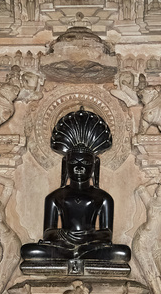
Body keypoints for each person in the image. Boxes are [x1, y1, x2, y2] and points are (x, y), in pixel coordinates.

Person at [21, 108, 130, 267]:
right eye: (74, 163)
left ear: (95, 165)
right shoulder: (55, 197)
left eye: (86, 163)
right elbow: (48, 232)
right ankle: (75, 255)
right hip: (62, 247)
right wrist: (64, 235)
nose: (79, 167)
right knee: (28, 251)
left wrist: (88, 237)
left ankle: (78, 254)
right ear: (65, 165)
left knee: (122, 252)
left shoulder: (103, 198)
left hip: (90, 246)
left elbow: (107, 234)